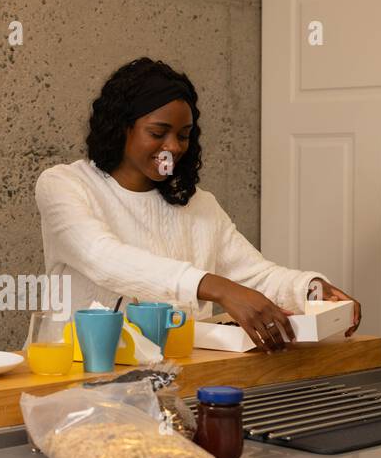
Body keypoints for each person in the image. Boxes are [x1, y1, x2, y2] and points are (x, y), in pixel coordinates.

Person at [35, 57, 361, 352]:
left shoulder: (198, 204)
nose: (173, 147)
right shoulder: (65, 185)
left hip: (183, 375)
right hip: (78, 376)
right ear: (122, 127)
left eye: (184, 135)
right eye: (158, 132)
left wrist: (311, 290)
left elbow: (255, 276)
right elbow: (103, 259)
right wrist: (216, 288)